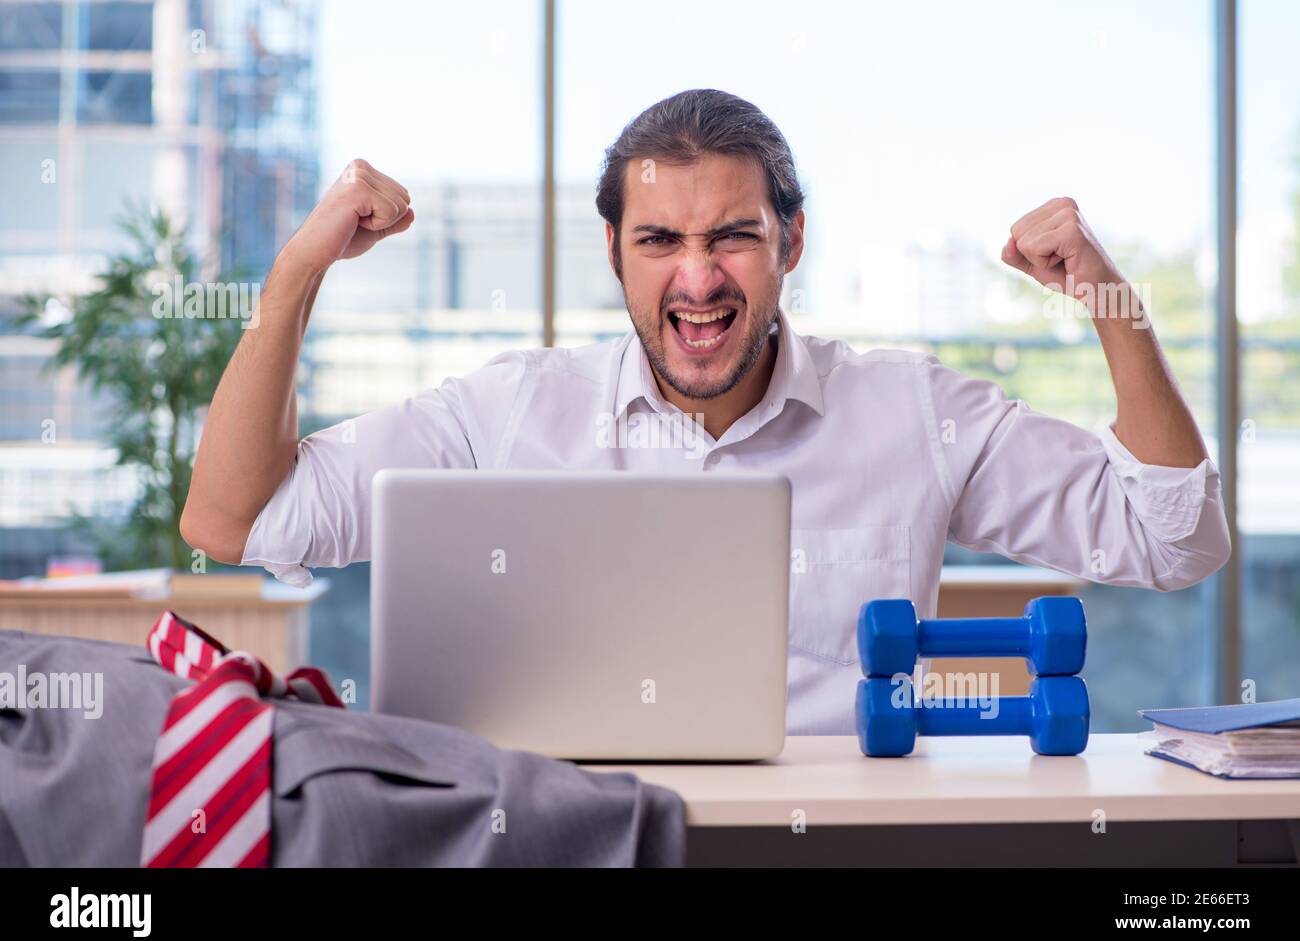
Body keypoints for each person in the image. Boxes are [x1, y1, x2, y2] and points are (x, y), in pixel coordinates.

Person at [181, 89, 1230, 735]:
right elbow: (235, 523)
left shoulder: (910, 409)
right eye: (657, 242)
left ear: (792, 244)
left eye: (731, 235)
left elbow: (1170, 538)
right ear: (613, 253)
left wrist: (1107, 295)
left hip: (848, 840)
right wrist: (298, 271)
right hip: (575, 835)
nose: (697, 279)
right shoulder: (507, 412)